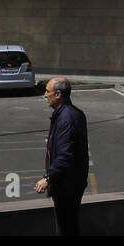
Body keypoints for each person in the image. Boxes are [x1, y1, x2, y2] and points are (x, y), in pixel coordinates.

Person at [35, 76, 89, 235]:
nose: (45, 95)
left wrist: (48, 178)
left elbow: (65, 156)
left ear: (58, 94)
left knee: (65, 228)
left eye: (47, 92)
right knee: (69, 225)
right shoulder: (73, 113)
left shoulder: (66, 118)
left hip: (67, 185)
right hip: (73, 183)